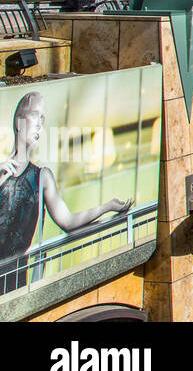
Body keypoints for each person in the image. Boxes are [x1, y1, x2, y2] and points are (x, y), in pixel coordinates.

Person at [0, 92, 133, 293]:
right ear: (19, 122)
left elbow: (68, 222)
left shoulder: (41, 177)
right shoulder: (2, 171)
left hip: (14, 281)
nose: (39, 124)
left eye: (42, 119)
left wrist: (108, 208)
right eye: (34, 115)